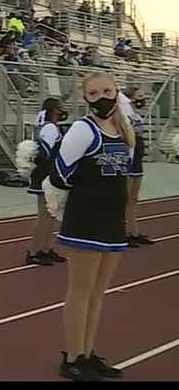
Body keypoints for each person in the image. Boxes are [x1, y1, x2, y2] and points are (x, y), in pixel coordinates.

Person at [50, 72, 134, 381]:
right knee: (81, 291)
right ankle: (72, 358)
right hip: (85, 220)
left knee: (98, 292)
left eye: (108, 91)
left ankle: (88, 352)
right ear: (85, 98)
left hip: (112, 221)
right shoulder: (82, 130)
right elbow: (60, 173)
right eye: (94, 93)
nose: (102, 98)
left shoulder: (123, 130)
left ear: (117, 91)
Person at [25, 99, 69, 266]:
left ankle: (45, 249)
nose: (63, 110)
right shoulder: (50, 127)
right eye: (61, 107)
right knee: (44, 215)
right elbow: (43, 152)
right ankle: (34, 251)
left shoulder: (49, 126)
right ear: (54, 110)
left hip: (49, 174)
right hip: (45, 176)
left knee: (50, 215)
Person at [120, 87, 152, 247]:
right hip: (129, 159)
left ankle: (134, 231)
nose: (143, 99)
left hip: (138, 159)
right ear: (130, 98)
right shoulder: (124, 113)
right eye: (140, 96)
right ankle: (123, 232)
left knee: (134, 199)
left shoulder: (136, 115)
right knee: (125, 199)